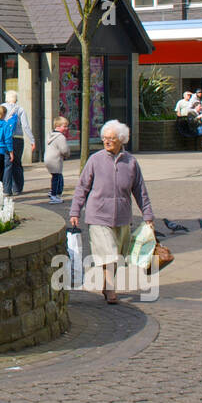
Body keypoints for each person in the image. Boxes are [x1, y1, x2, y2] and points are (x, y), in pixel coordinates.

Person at [68, 120, 154, 304]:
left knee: (116, 256)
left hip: (122, 216)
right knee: (109, 253)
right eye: (104, 138)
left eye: (111, 138)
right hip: (98, 215)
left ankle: (107, 284)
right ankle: (110, 289)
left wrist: (148, 215)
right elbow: (82, 187)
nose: (106, 141)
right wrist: (75, 211)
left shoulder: (131, 162)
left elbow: (140, 190)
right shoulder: (95, 160)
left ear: (121, 139)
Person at [2, 90, 35, 196]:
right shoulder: (20, 109)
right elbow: (25, 126)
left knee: (7, 164)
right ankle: (17, 188)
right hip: (18, 139)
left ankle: (6, 189)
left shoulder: (2, 108)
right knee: (17, 163)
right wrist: (32, 140)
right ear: (16, 98)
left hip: (5, 139)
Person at [44, 116, 70, 204]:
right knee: (58, 178)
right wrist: (67, 154)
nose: (66, 128)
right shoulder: (60, 137)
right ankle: (54, 195)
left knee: (55, 176)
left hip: (48, 159)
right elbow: (64, 150)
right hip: (56, 160)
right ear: (58, 126)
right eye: (64, 126)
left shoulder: (50, 135)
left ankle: (53, 192)